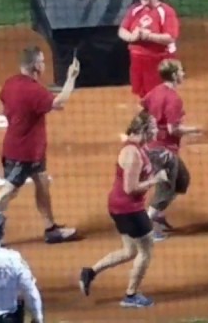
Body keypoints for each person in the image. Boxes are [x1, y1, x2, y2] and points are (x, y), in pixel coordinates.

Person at [0, 47, 80, 244]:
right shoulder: (33, 90)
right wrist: (71, 77)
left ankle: (51, 229)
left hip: (30, 149)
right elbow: (59, 102)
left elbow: (4, 99)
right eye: (42, 61)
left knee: (42, 183)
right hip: (23, 152)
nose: (44, 64)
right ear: (36, 66)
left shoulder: (10, 83)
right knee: (9, 192)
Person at [78, 111, 168, 309]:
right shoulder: (132, 153)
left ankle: (90, 272)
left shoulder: (137, 146)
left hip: (122, 207)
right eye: (153, 128)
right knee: (146, 251)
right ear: (144, 130)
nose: (157, 131)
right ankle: (131, 295)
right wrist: (156, 179)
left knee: (129, 251)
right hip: (129, 209)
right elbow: (130, 188)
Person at [140, 59, 201, 240]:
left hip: (154, 147)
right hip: (163, 151)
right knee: (165, 190)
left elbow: (142, 107)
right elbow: (173, 129)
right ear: (174, 75)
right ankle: (147, 228)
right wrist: (194, 130)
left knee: (182, 180)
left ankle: (156, 214)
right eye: (181, 71)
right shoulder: (173, 99)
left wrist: (150, 128)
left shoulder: (156, 91)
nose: (183, 74)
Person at [118, 0, 181, 98]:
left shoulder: (166, 12)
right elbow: (122, 30)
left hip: (160, 60)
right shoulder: (135, 9)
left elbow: (170, 37)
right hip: (138, 60)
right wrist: (132, 37)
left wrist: (149, 36)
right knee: (143, 95)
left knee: (160, 94)